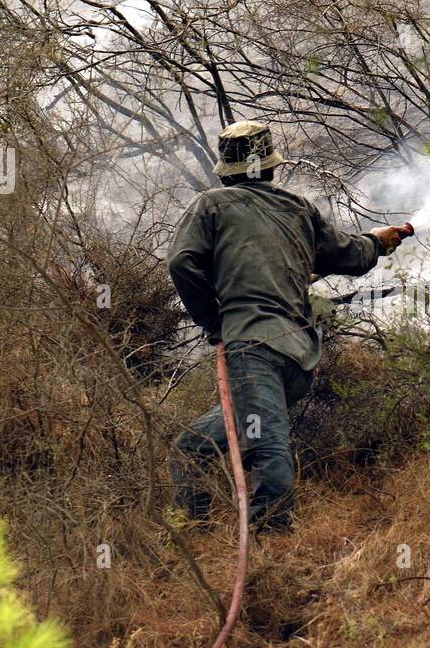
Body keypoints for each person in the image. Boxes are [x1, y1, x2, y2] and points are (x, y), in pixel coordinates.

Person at [166, 121, 409, 533]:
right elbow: (350, 257)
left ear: (228, 170)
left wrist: (214, 323)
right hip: (298, 361)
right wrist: (378, 240)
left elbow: (181, 263)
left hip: (253, 352)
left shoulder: (212, 206)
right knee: (192, 445)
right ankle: (192, 536)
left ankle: (275, 543)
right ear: (272, 167)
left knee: (267, 446)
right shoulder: (299, 210)